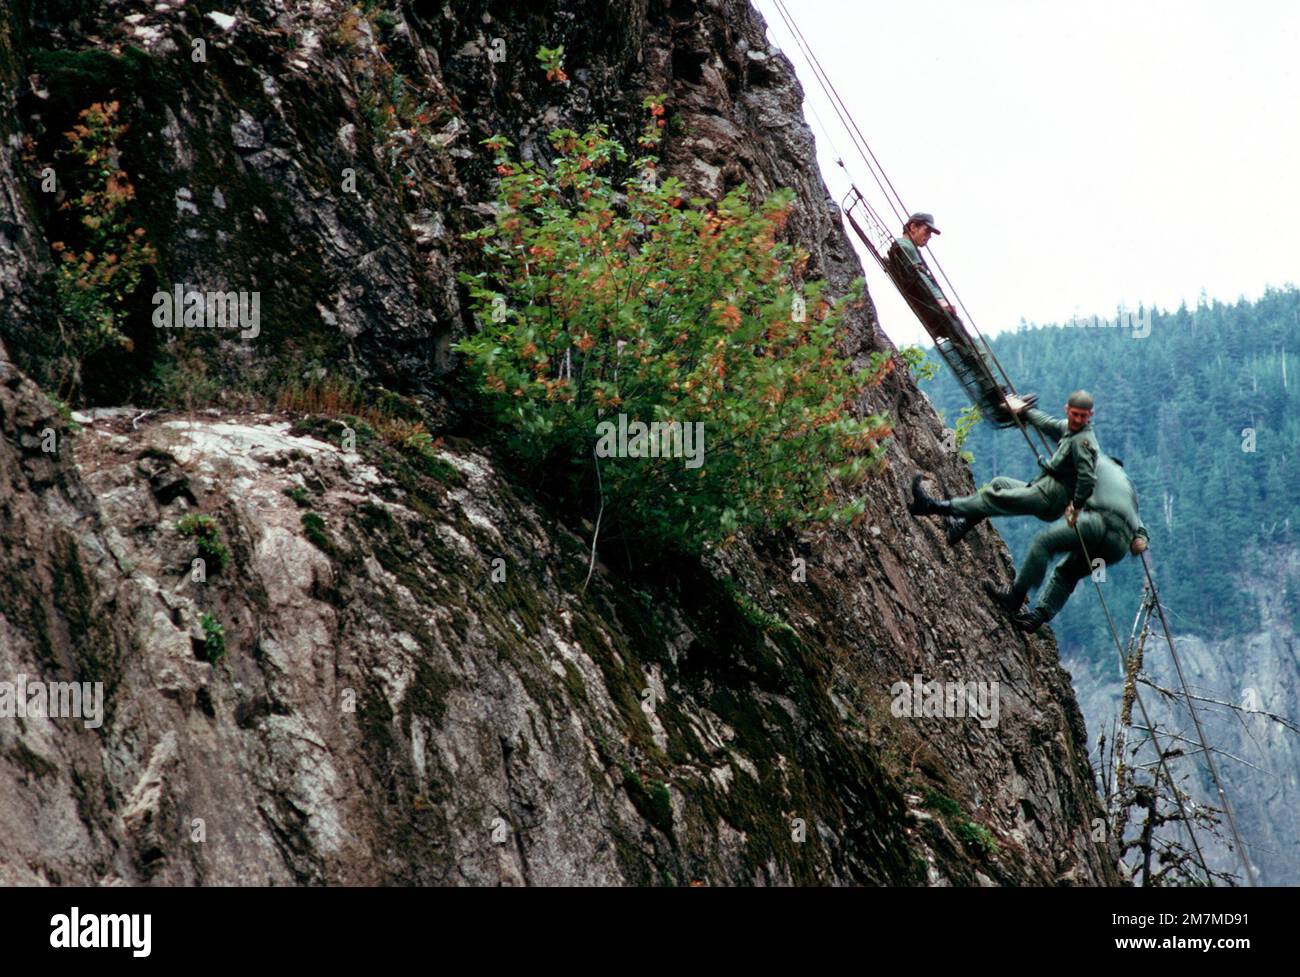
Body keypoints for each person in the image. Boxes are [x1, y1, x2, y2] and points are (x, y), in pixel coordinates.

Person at [885, 212, 1033, 421]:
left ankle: (999, 397)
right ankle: (1000, 397)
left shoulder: (901, 249)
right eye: (926, 231)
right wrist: (940, 300)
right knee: (975, 351)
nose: (928, 237)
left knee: (970, 352)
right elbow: (919, 276)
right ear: (912, 227)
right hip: (936, 311)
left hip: (931, 312)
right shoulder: (905, 248)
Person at [908, 390, 1101, 544]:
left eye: (1083, 416)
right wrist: (1023, 409)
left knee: (992, 498)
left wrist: (1076, 508)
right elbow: (1046, 423)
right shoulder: (1068, 428)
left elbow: (1087, 479)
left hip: (1049, 499)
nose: (1078, 419)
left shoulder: (1083, 441)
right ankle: (959, 528)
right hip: (1043, 488)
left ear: (1090, 415)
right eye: (1075, 414)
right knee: (999, 484)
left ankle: (931, 506)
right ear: (1067, 410)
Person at [984, 453, 1149, 631]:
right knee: (1068, 573)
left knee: (1045, 543)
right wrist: (1141, 539)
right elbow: (1138, 528)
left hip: (1095, 525)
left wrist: (1047, 466)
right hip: (1117, 546)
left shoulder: (1097, 472)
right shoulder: (1127, 493)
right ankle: (1037, 617)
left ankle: (1014, 597)